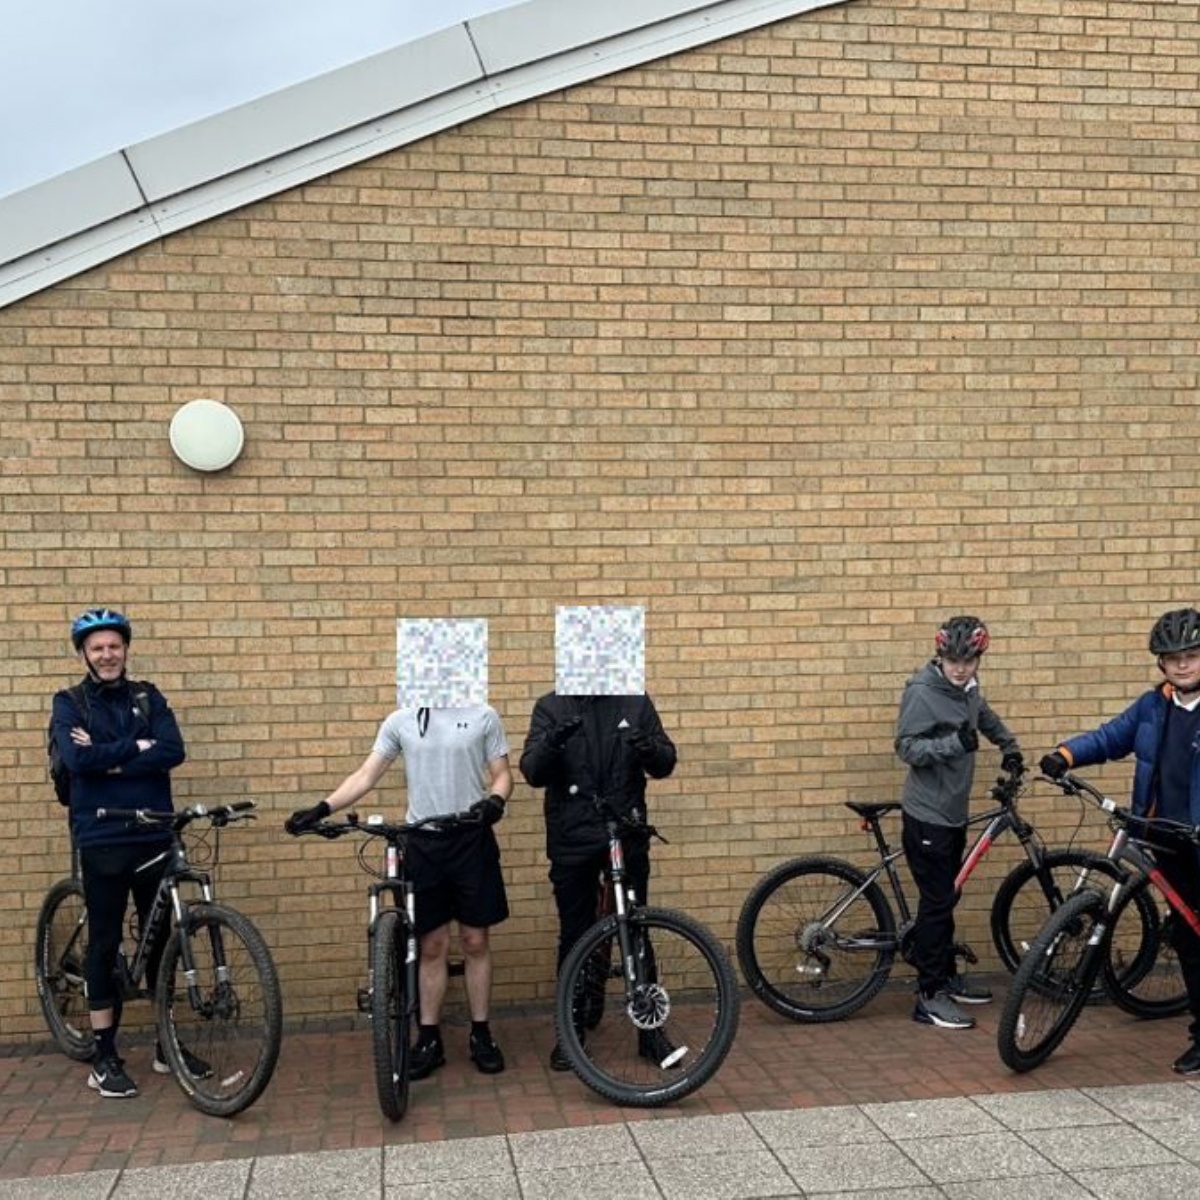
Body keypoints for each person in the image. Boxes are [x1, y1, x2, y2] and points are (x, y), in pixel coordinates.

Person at [285, 703, 512, 1078]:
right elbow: (366, 774)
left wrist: (495, 802)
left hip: (471, 839)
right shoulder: (401, 719)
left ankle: (481, 1034)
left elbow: (502, 773)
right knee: (432, 945)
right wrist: (321, 808)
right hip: (422, 844)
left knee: (475, 941)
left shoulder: (482, 714)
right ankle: (428, 1038)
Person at [1040, 607, 1200, 1075]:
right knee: (1190, 938)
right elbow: (1111, 737)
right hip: (1164, 840)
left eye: (1192, 655)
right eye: (1175, 659)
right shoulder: (1153, 708)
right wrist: (1065, 755)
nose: (1184, 665)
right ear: (1162, 665)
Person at [49, 607, 197, 1099]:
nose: (107, 654)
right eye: (97, 648)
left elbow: (173, 750)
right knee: (105, 941)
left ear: (125, 649)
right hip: (103, 836)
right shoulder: (69, 702)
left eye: (114, 646)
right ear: (84, 655)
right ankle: (104, 1055)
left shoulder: (147, 696)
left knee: (160, 943)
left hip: (154, 832)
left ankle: (165, 1044)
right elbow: (77, 759)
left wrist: (111, 755)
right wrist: (137, 748)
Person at [519, 691, 677, 1069]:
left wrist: (648, 747)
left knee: (636, 928)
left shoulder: (635, 702)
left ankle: (650, 1030)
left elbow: (666, 762)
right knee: (574, 933)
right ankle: (570, 1034)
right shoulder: (550, 706)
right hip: (572, 835)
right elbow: (532, 772)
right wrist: (554, 739)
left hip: (625, 830)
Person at [894, 615, 1023, 1030]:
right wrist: (954, 744)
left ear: (979, 659)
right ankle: (929, 996)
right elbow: (907, 748)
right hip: (927, 815)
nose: (960, 668)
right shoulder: (922, 692)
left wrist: (1008, 746)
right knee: (936, 905)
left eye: (968, 661)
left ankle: (945, 974)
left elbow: (981, 714)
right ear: (940, 655)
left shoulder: (967, 689)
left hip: (953, 813)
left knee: (947, 897)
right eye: (952, 660)